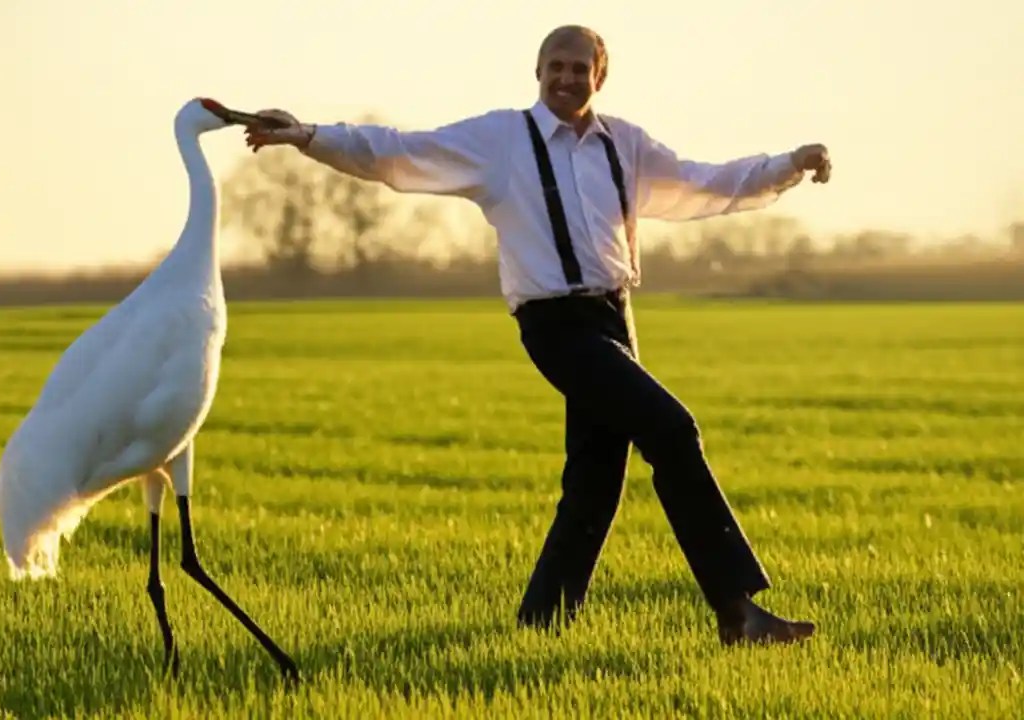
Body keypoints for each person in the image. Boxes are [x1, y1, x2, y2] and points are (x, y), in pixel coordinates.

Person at [243, 24, 826, 645]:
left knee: (595, 482)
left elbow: (705, 183)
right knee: (672, 429)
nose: (567, 78)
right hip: (555, 326)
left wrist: (787, 166)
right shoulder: (502, 140)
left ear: (599, 76)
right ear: (538, 71)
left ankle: (541, 623)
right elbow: (399, 152)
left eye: (580, 68)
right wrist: (308, 136)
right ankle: (738, 613)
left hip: (616, 319)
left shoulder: (623, 144)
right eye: (556, 66)